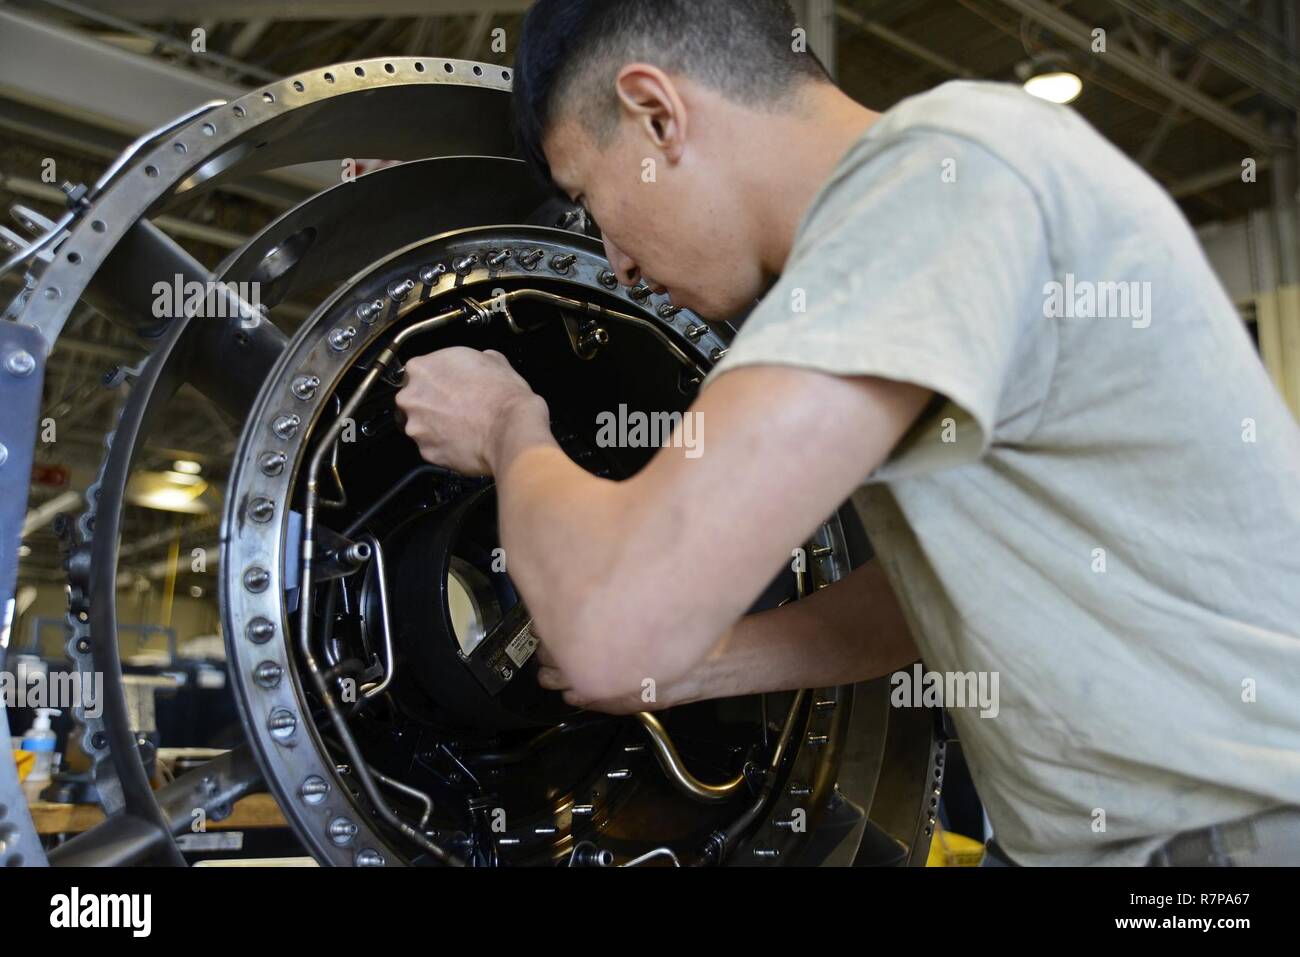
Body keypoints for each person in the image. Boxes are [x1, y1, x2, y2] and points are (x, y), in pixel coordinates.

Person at [395, 0, 1300, 866]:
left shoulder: (935, 182)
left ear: (656, 114)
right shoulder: (928, 208)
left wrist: (510, 427)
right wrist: (688, 669)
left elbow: (612, 627)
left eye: (591, 198)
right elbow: (925, 593)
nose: (616, 261)